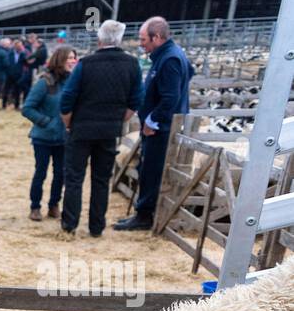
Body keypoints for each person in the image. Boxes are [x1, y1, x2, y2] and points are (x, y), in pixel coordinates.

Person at [59, 20, 144, 237]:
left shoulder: (86, 64)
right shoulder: (132, 64)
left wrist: (68, 122)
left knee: (75, 177)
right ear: (120, 39)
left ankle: (69, 225)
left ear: (99, 39)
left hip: (82, 128)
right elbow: (136, 100)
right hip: (109, 130)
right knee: (101, 179)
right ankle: (96, 227)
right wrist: (119, 120)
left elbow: (68, 97)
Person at [116, 17, 194, 231]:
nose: (141, 43)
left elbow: (170, 96)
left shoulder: (169, 59)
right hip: (159, 126)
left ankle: (144, 216)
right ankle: (142, 212)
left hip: (160, 129)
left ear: (157, 37)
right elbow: (190, 72)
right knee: (146, 167)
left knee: (151, 170)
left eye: (143, 39)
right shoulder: (170, 55)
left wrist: (153, 120)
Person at [22, 46, 77, 221]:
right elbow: (27, 108)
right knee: (41, 172)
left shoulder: (73, 83)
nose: (72, 61)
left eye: (74, 58)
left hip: (63, 138)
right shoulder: (45, 82)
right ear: (59, 60)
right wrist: (46, 122)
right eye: (69, 58)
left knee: (60, 173)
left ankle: (54, 205)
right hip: (43, 138)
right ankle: (35, 206)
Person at [5, 38, 29, 109]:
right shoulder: (10, 53)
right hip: (9, 74)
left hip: (19, 75)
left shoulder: (23, 53)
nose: (20, 47)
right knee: (7, 90)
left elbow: (27, 63)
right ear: (15, 46)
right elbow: (7, 63)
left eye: (21, 46)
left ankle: (16, 105)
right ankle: (4, 104)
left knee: (17, 90)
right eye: (19, 46)